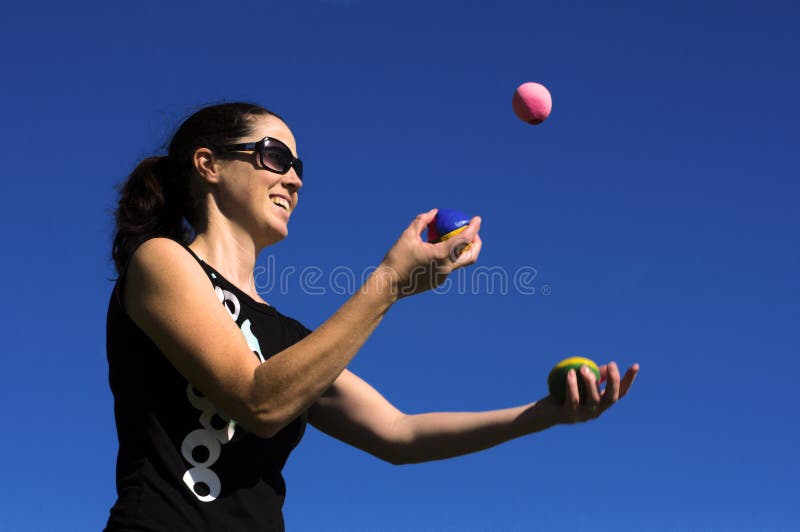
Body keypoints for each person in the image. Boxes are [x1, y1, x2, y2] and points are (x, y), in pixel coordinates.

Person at [105, 102, 639, 531]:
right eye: (275, 156)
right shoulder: (162, 261)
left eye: (299, 167)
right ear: (209, 165)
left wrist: (547, 413)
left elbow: (398, 434)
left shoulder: (290, 339)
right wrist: (388, 284)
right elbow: (257, 400)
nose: (294, 180)